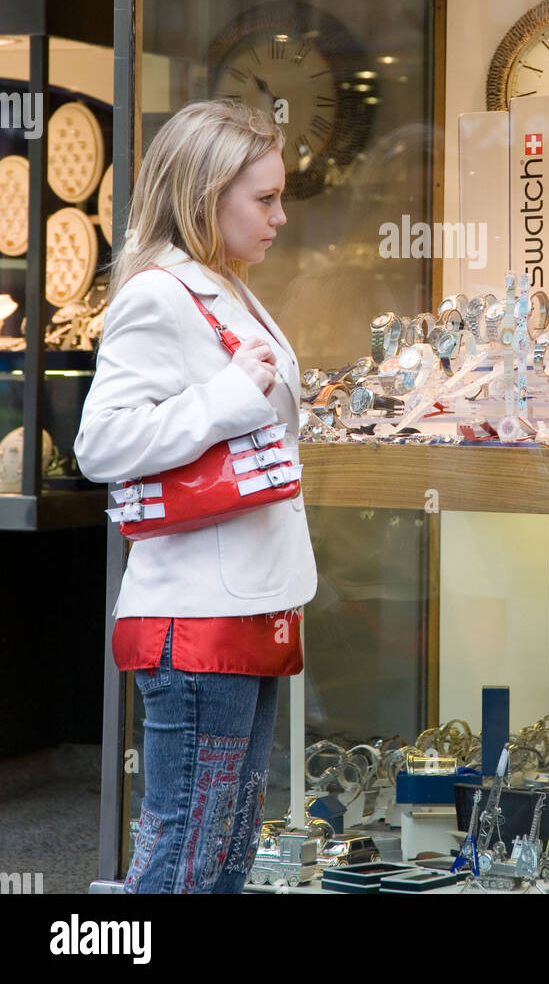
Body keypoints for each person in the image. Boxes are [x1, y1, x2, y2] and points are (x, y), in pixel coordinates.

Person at [74, 98, 317, 894]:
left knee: (223, 853)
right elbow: (102, 443)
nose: (281, 215)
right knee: (188, 850)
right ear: (206, 194)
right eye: (265, 198)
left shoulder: (226, 287)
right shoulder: (159, 294)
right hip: (197, 617)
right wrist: (231, 401)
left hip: (246, 604)